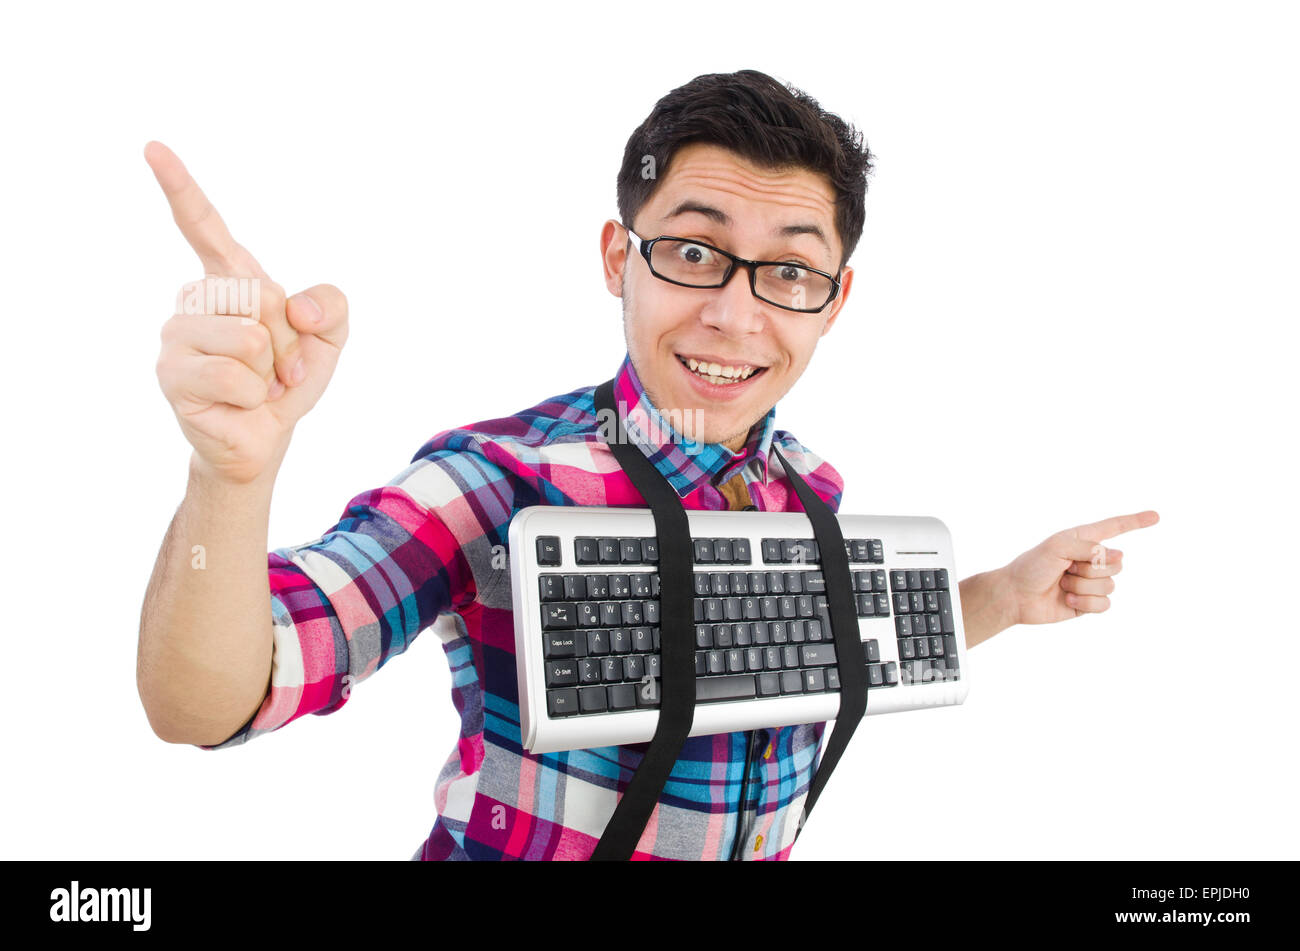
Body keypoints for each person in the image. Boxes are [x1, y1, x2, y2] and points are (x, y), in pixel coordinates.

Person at [137, 69, 1158, 860]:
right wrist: (229, 481)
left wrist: (996, 597)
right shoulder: (495, 481)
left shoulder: (812, 488)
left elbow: (814, 647)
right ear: (620, 259)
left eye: (789, 270)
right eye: (693, 251)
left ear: (834, 301)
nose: (733, 312)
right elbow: (210, 699)